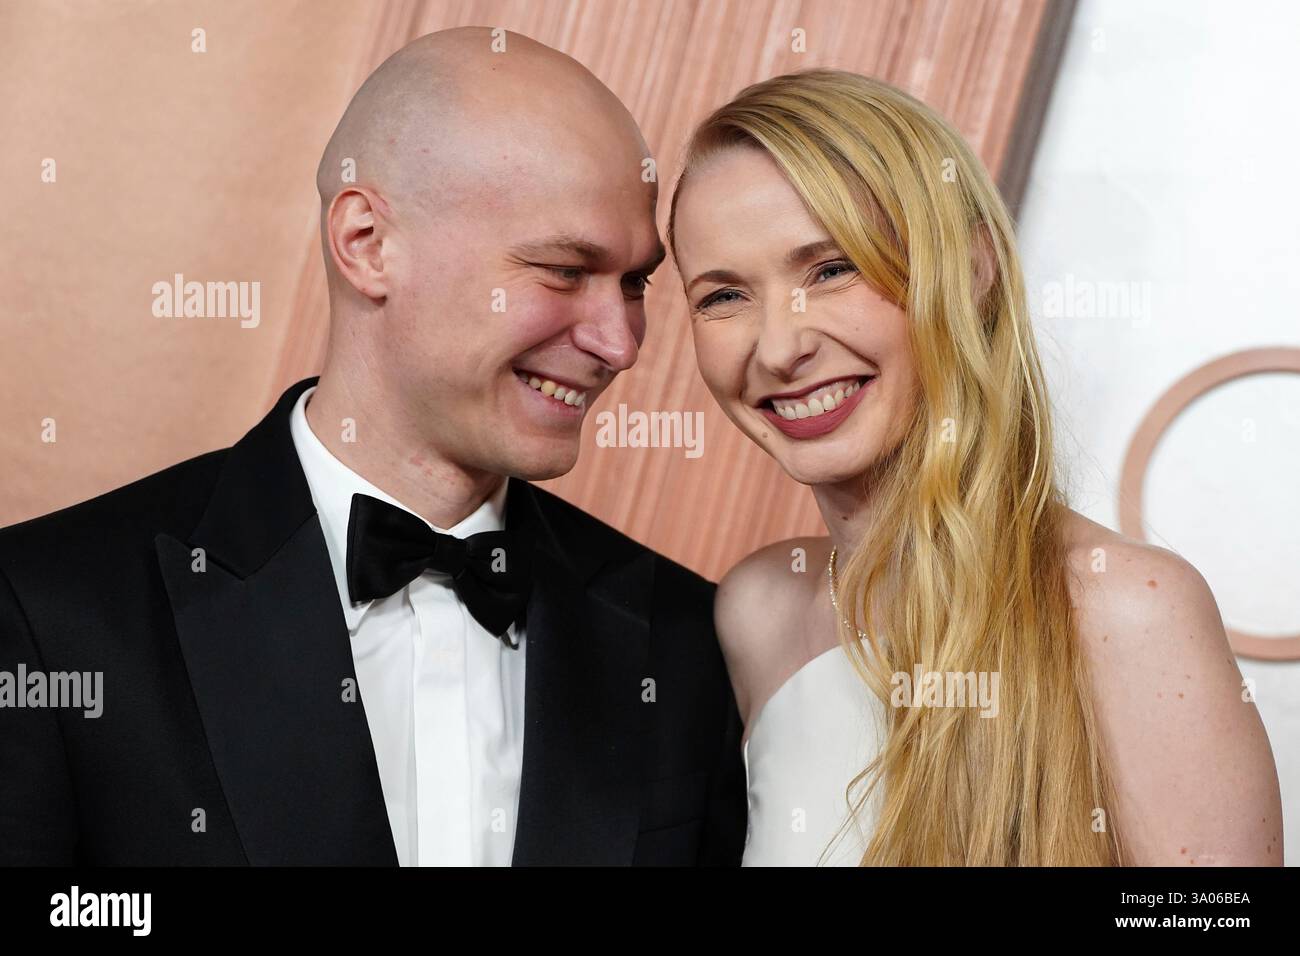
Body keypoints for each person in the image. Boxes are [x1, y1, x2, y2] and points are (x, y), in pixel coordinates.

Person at [0, 27, 746, 866]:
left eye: (635, 283)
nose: (621, 343)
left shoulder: (688, 640)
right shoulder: (48, 612)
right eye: (564, 270)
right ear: (366, 244)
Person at [667, 68, 1283, 866]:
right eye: (723, 297)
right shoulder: (756, 612)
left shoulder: (1125, 608)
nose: (779, 347)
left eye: (831, 268)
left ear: (971, 267)